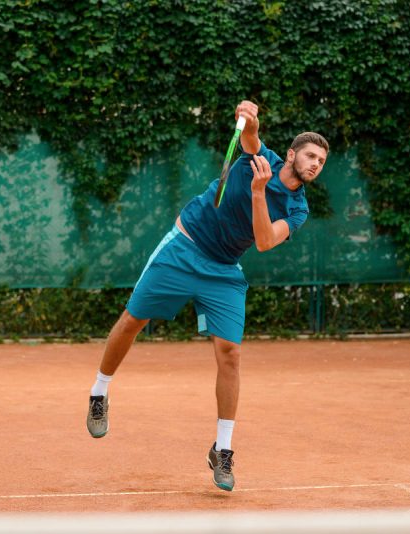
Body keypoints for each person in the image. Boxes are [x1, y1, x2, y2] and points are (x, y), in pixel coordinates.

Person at [86, 100, 329, 491]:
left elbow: (264, 242)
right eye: (310, 155)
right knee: (133, 321)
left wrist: (257, 193)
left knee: (230, 355)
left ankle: (224, 449)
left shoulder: (297, 208)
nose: (316, 163)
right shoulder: (258, 156)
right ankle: (99, 392)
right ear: (291, 154)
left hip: (224, 269)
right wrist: (250, 117)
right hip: (185, 246)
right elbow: (250, 134)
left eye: (321, 160)